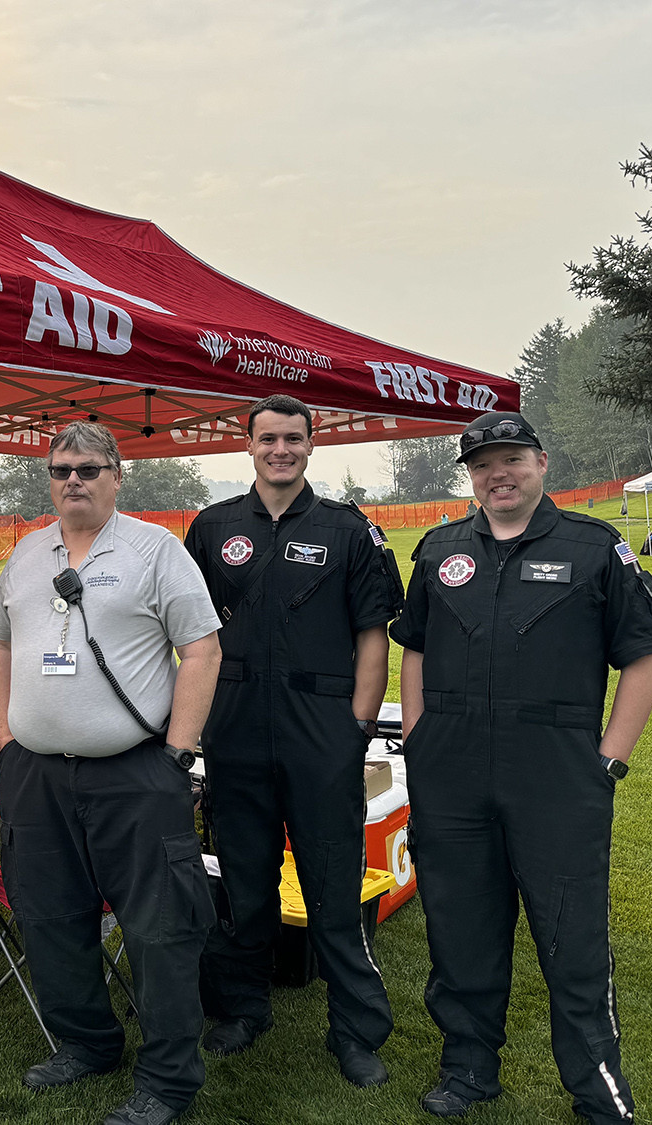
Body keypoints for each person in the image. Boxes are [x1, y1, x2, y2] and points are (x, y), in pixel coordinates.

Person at [392, 411, 652, 1121]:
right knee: (460, 929)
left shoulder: (594, 545)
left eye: (512, 458)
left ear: (542, 462)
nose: (499, 473)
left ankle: (597, 1089)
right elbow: (416, 646)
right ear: (471, 476)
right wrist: (420, 737)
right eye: (483, 463)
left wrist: (608, 761)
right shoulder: (440, 548)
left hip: (557, 779)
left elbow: (643, 658)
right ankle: (468, 1067)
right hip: (451, 775)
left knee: (571, 940)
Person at [0, 421, 222, 1125]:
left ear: (117, 475)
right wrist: (5, 739)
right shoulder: (28, 553)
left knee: (158, 930)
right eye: (62, 470)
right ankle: (87, 1042)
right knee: (50, 915)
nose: (74, 480)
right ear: (48, 478)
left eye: (89, 468)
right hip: (37, 775)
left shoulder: (155, 550)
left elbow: (202, 651)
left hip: (135, 775)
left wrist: (177, 752)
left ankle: (169, 1077)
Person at [182, 394, 401, 1086]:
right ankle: (243, 1011)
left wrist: (354, 729)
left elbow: (375, 636)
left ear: (313, 444)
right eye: (269, 438)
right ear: (246, 444)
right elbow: (189, 633)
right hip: (237, 734)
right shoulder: (213, 528)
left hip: (321, 735)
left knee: (333, 891)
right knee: (245, 885)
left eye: (294, 438)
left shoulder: (346, 529)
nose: (281, 449)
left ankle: (355, 1032)